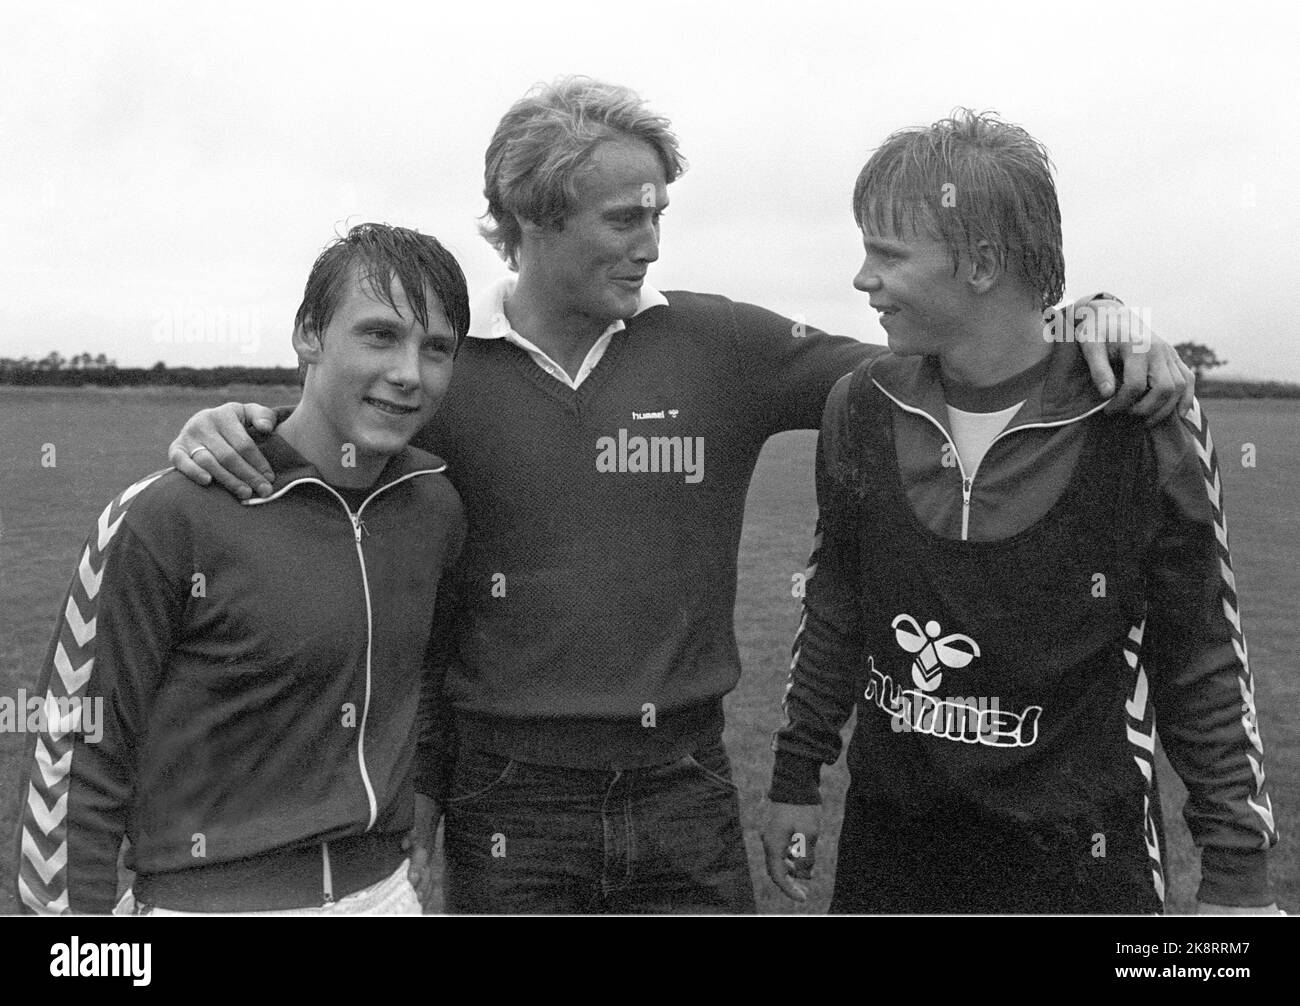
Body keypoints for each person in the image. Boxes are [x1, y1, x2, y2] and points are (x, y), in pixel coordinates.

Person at [166, 79, 1194, 914]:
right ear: (526, 219)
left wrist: (1086, 321)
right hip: (505, 798)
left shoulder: (724, 345)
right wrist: (233, 419)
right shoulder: (442, 371)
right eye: (624, 217)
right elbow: (330, 437)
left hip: (686, 791)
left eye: (661, 212)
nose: (652, 240)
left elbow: (956, 354)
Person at [762, 110, 1277, 914]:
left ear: (982, 264)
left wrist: (1238, 878)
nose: (863, 279)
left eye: (887, 255)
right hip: (890, 847)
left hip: (1081, 860)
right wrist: (798, 775)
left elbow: (1204, 658)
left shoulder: (1136, 421)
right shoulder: (860, 404)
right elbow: (834, 601)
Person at [14, 223, 470, 914]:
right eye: (380, 335)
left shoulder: (434, 507)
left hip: (383, 893)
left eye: (435, 348)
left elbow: (432, 680)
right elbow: (76, 752)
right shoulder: (166, 518)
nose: (409, 372)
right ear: (308, 334)